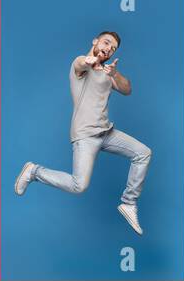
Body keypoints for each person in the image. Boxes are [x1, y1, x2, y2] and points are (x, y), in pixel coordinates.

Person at [13, 31, 152, 236]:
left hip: (107, 132)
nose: (109, 49)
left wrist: (114, 74)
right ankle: (34, 171)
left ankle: (129, 203)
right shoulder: (81, 67)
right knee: (79, 186)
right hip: (85, 134)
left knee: (143, 153)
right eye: (106, 43)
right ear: (95, 41)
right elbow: (81, 62)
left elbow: (127, 89)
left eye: (113, 48)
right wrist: (91, 59)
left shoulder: (106, 72)